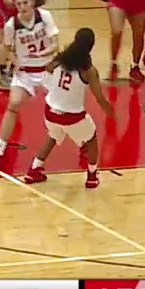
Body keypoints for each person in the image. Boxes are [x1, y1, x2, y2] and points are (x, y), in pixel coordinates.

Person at [24, 27, 115, 188]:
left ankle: (34, 169)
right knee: (92, 139)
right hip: (71, 117)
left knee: (54, 135)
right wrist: (110, 111)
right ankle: (92, 176)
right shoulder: (89, 71)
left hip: (50, 111)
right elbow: (99, 98)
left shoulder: (59, 60)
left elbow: (47, 70)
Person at [0, 0, 57, 167]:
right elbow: (6, 49)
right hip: (25, 74)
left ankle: (83, 142)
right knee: (13, 105)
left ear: (32, 3)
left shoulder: (44, 17)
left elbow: (55, 44)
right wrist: (13, 61)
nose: (22, 6)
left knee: (61, 111)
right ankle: (0, 147)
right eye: (18, 4)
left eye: (25, 3)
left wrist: (43, 52)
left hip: (47, 71)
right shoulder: (11, 25)